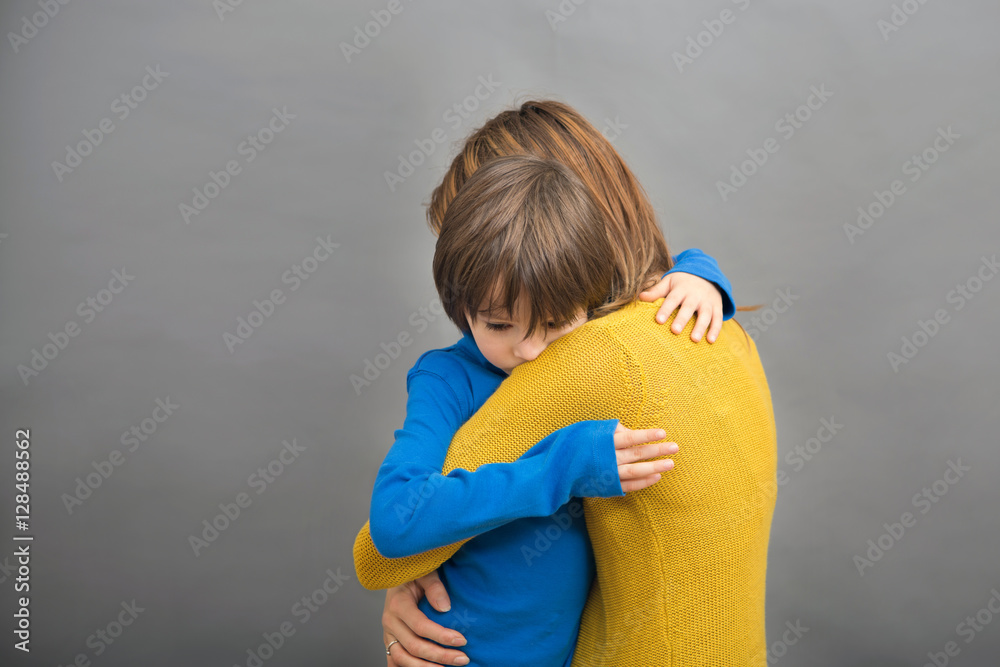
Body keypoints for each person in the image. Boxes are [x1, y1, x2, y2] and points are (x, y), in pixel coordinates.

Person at [355, 103, 776, 666]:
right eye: (498, 320)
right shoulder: (713, 331)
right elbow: (394, 533)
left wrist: (701, 272)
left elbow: (377, 554)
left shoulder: (593, 358)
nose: (531, 350)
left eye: (552, 319)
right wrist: (703, 274)